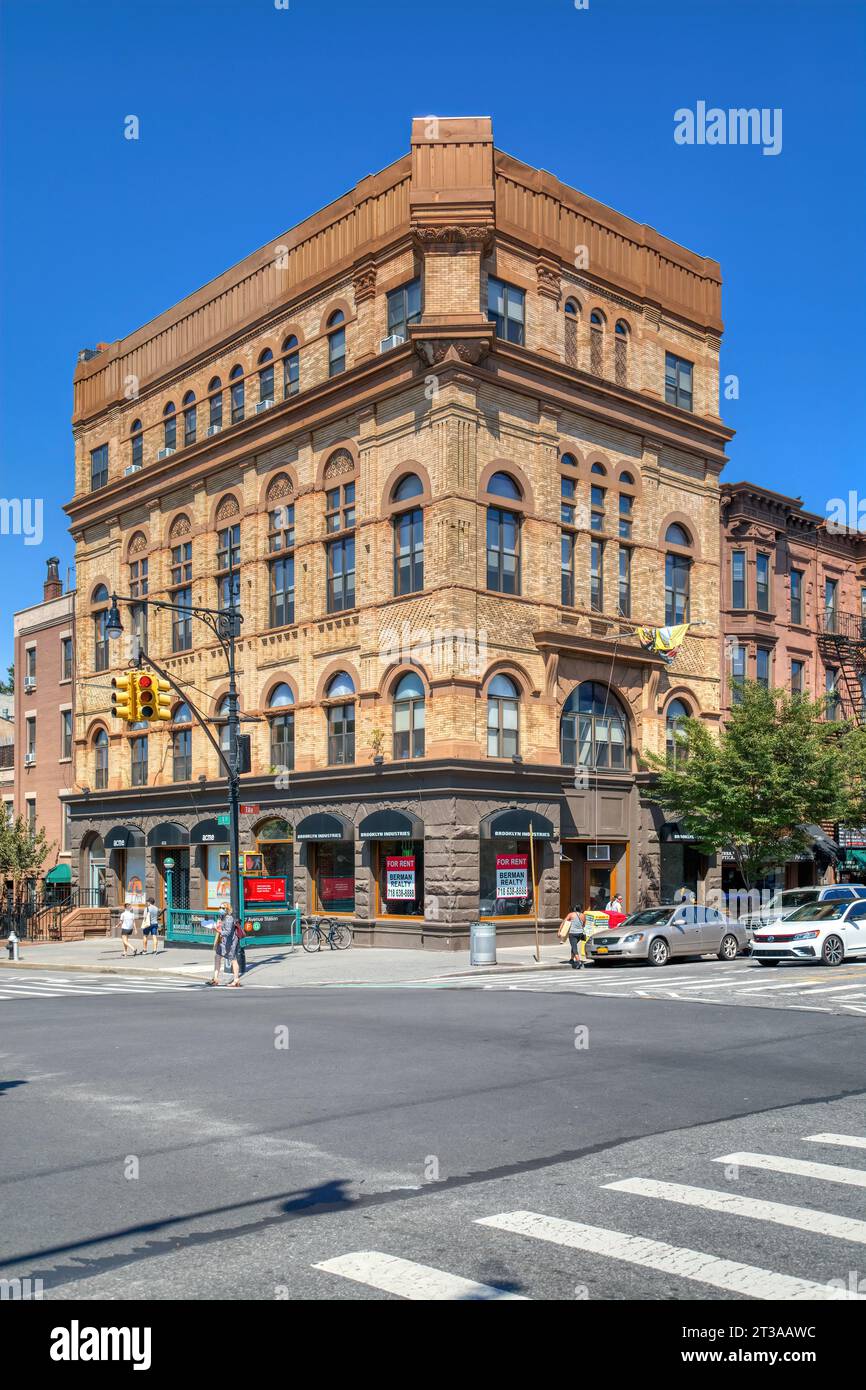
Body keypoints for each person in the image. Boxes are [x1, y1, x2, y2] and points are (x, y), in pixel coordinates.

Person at [209, 905, 242, 987]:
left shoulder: (229, 919)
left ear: (227, 909)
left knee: (233, 959)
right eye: (220, 907)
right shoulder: (222, 917)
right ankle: (215, 978)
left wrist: (217, 930)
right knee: (217, 956)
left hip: (230, 942)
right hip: (223, 942)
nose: (220, 909)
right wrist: (216, 926)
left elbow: (227, 933)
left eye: (223, 908)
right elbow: (221, 929)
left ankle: (236, 980)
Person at [559, 903, 587, 970]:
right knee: (573, 945)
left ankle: (578, 961)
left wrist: (559, 930)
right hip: (580, 934)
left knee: (574, 947)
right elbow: (584, 925)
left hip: (573, 933)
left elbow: (564, 922)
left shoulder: (571, 914)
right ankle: (571, 959)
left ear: (575, 909)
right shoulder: (583, 915)